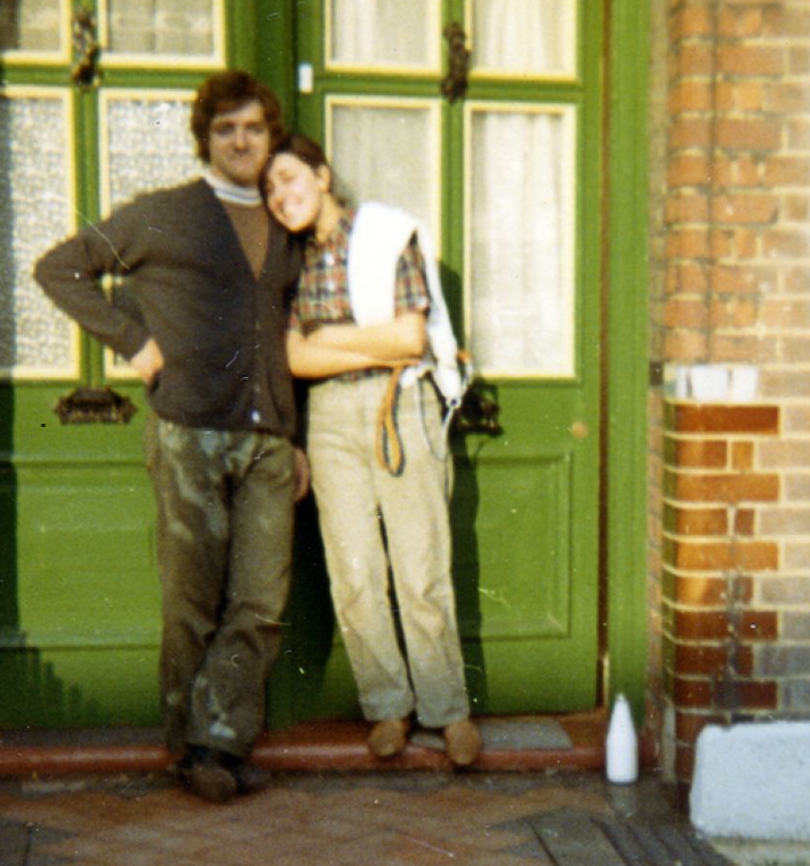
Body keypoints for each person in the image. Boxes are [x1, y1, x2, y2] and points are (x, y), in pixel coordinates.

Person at [34, 70, 304, 803]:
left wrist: (295, 436)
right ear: (205, 139)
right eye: (226, 129)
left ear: (271, 135)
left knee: (260, 602)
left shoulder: (286, 220)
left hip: (270, 441)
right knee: (191, 601)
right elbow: (59, 268)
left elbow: (285, 334)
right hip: (188, 430)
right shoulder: (166, 215)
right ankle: (190, 748)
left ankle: (221, 741)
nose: (242, 140)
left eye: (254, 127)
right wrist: (130, 342)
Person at [264, 132, 481, 768]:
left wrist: (327, 336)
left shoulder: (384, 238)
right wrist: (363, 339)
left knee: (420, 567)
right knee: (355, 570)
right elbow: (293, 358)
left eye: (290, 179)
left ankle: (448, 711)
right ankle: (388, 706)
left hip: (399, 402)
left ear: (322, 175)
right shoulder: (284, 260)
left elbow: (411, 340)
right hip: (329, 416)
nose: (281, 196)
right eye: (271, 189)